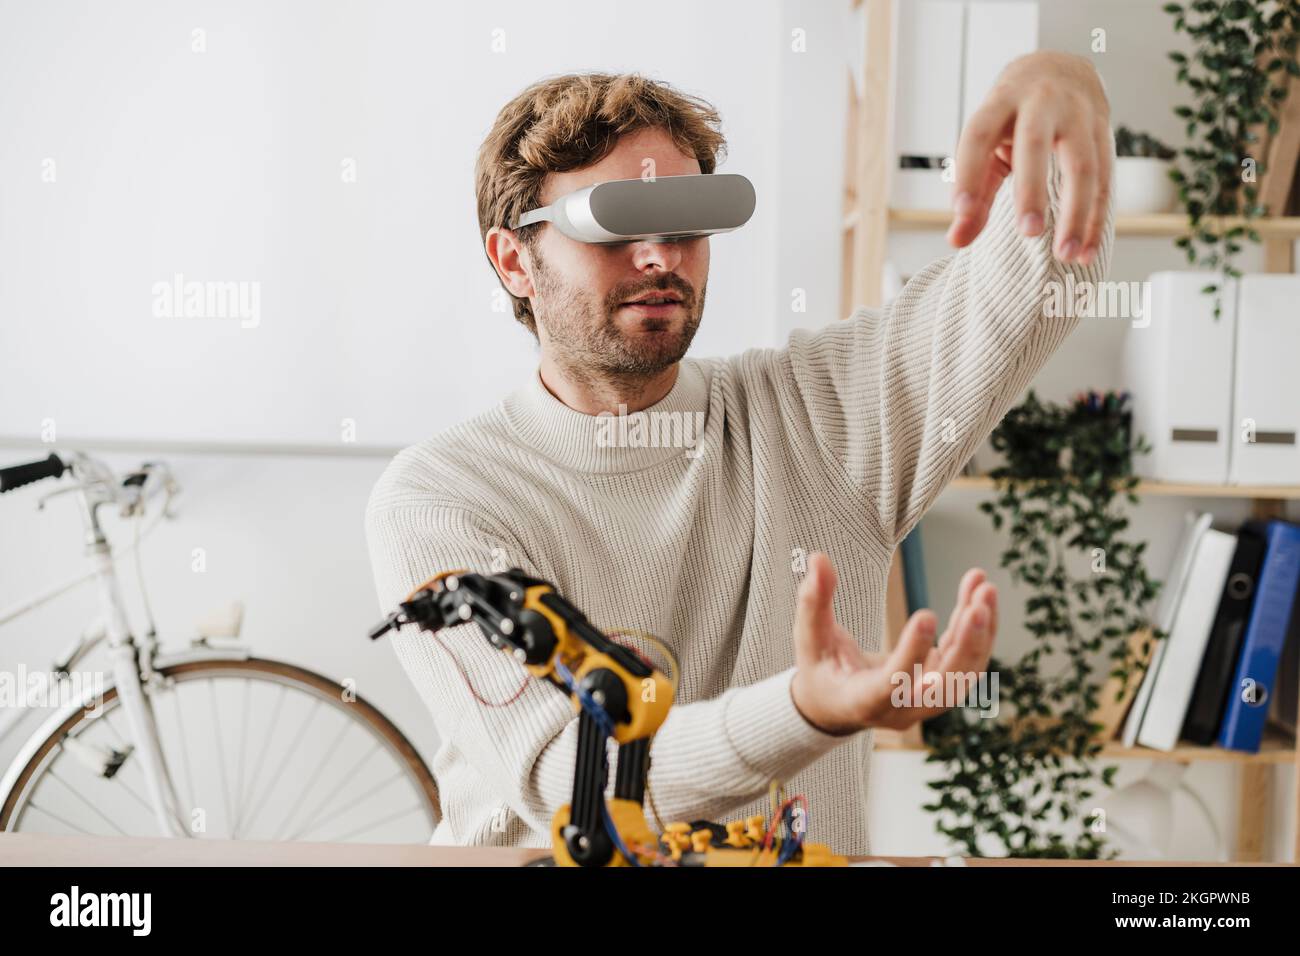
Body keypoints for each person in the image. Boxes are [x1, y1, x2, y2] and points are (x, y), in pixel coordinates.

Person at [367, 55, 1114, 853]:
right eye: (614, 226)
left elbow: (1039, 274)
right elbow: (571, 774)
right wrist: (805, 710)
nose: (661, 257)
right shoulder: (442, 499)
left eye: (687, 223)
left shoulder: (818, 419)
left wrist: (1065, 81)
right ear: (515, 262)